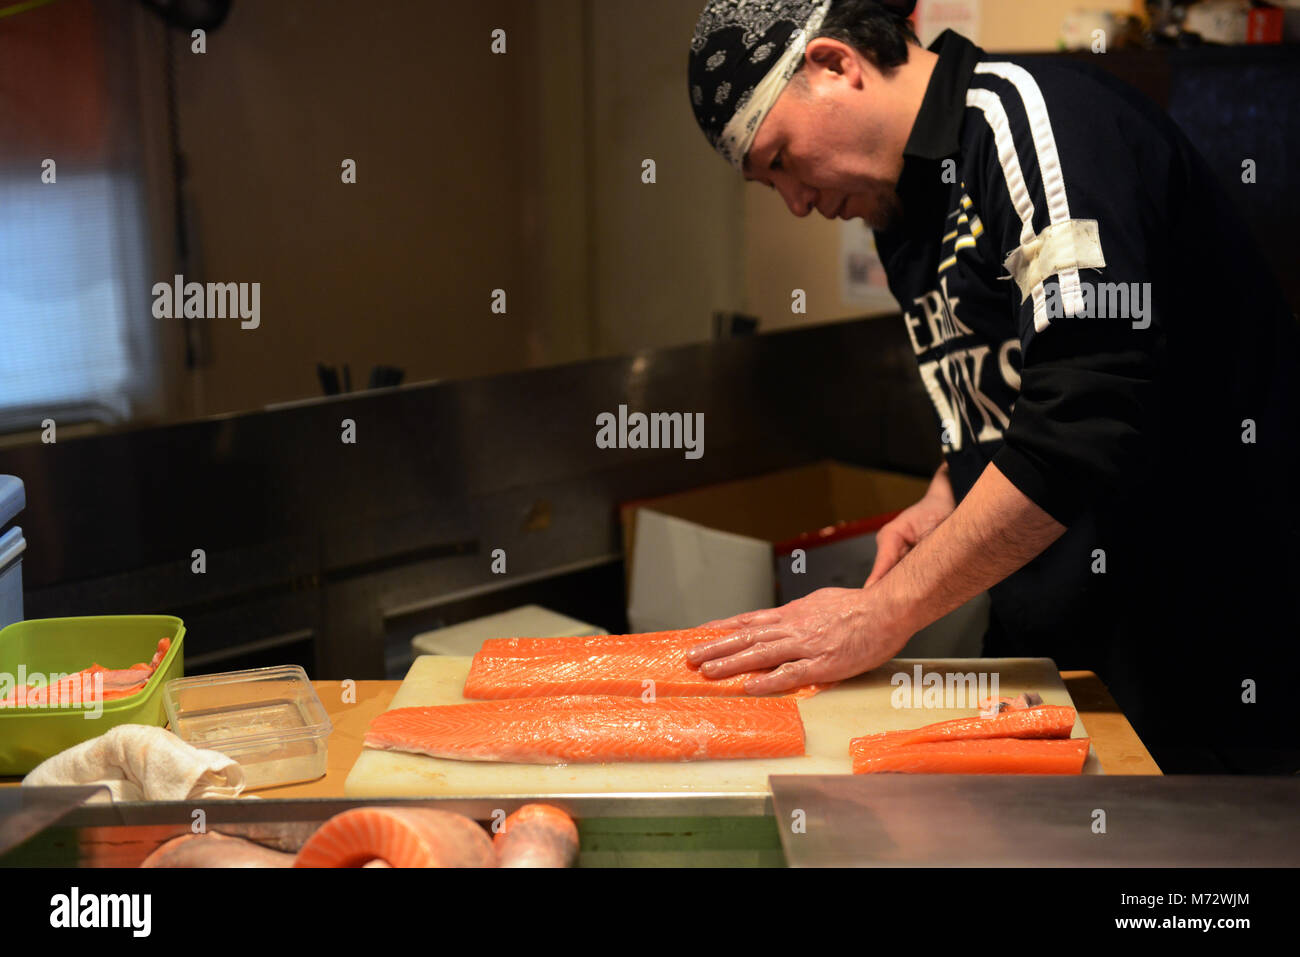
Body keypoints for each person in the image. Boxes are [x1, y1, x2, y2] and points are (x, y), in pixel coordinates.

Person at [684, 0, 1300, 773]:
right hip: (1060, 658)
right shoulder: (899, 209)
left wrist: (884, 611)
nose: (797, 201)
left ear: (836, 65)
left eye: (778, 159)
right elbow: (1020, 392)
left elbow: (1083, 419)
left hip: (1202, 654)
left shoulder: (1028, 120)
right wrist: (950, 488)